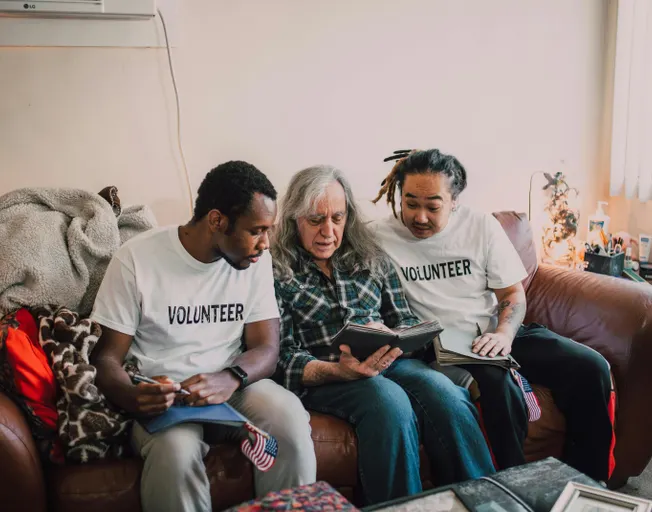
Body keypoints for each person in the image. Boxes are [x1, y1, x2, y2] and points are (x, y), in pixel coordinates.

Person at [371, 148, 614, 482]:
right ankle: (510, 491)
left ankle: (589, 484)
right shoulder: (378, 236)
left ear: (454, 201)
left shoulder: (481, 226)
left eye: (432, 206)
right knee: (498, 390)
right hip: (444, 346)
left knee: (591, 367)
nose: (420, 216)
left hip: (497, 332)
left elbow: (512, 294)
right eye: (410, 203)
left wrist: (503, 334)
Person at [90, 161, 317, 512]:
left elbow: (266, 348)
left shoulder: (255, 262)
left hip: (233, 387)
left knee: (288, 418)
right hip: (168, 398)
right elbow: (106, 359)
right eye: (256, 231)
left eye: (268, 231)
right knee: (176, 454)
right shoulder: (137, 259)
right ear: (217, 221)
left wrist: (230, 378)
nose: (265, 243)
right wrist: (133, 396)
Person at [271, 165, 495, 506]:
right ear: (293, 220)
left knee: (446, 394)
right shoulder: (276, 271)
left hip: (388, 362)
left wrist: (392, 335)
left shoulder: (370, 255)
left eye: (337, 217)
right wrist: (336, 371)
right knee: (388, 402)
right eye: (315, 220)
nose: (328, 231)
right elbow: (280, 355)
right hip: (328, 374)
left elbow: (403, 318)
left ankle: (482, 502)